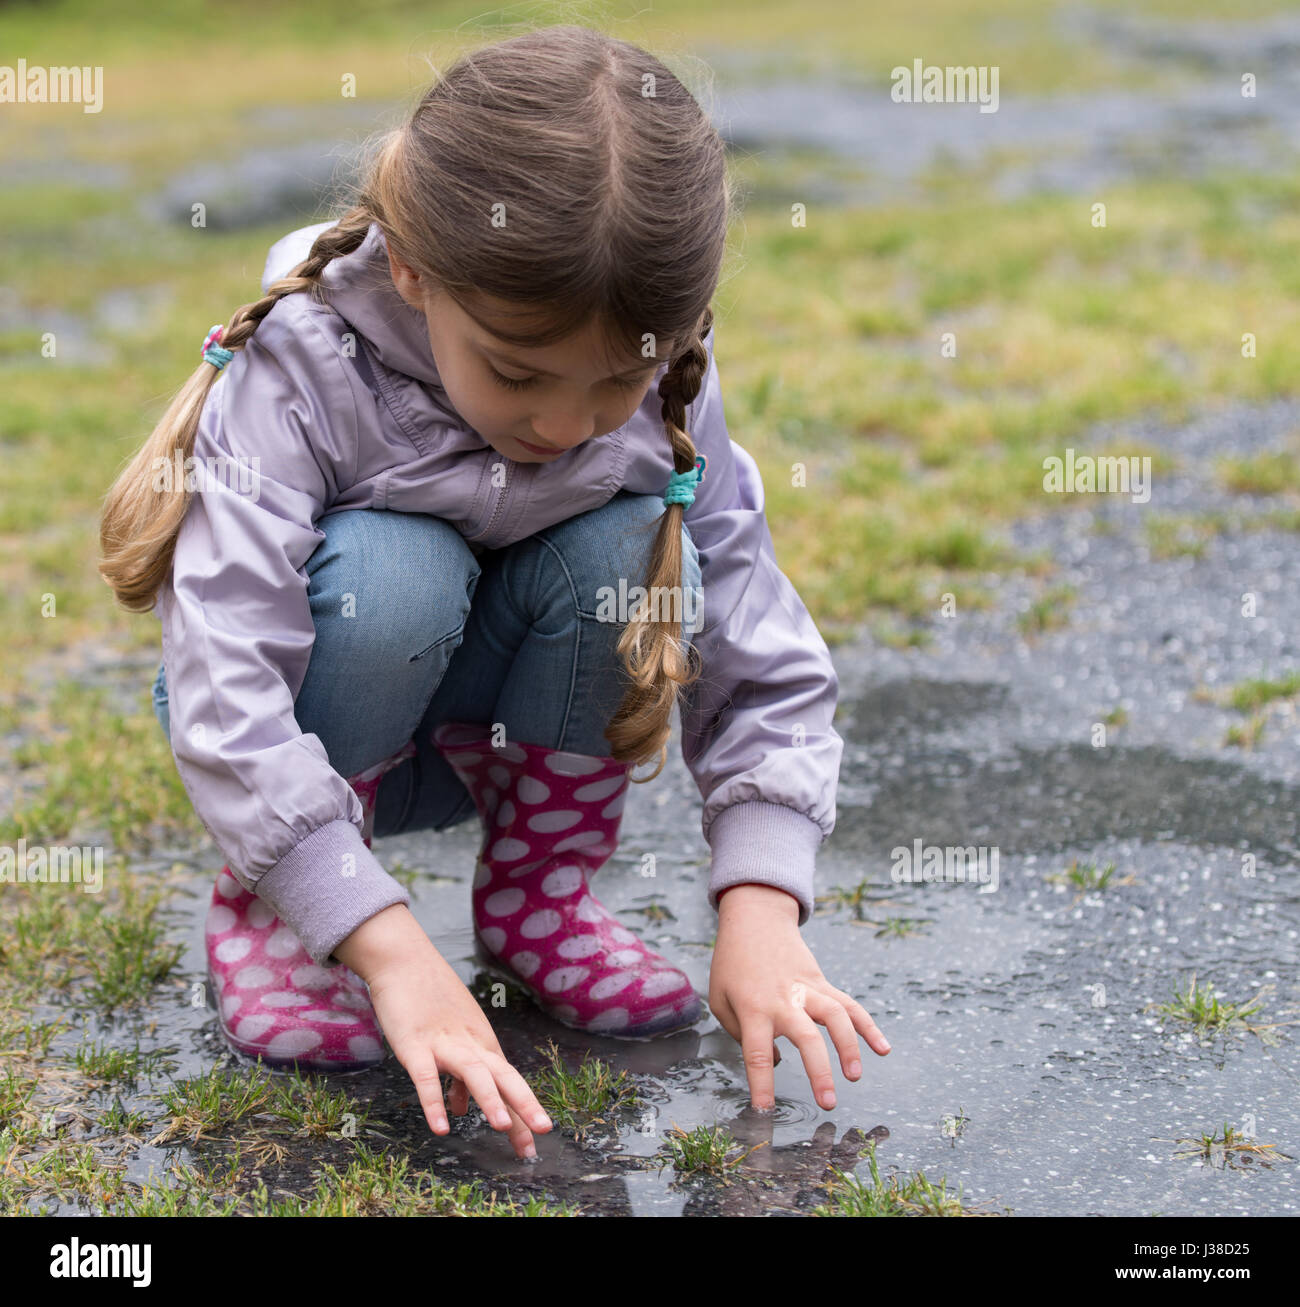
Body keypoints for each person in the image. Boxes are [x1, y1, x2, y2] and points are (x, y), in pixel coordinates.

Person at [98, 24, 889, 1163]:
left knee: (640, 550)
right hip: (315, 746)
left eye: (619, 379)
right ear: (415, 269)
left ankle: (540, 897)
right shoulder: (303, 372)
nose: (568, 422)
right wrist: (392, 953)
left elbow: (765, 652)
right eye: (517, 371)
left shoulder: (667, 389)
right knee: (391, 573)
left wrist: (761, 911)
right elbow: (227, 685)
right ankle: (285, 920)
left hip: (491, 738)